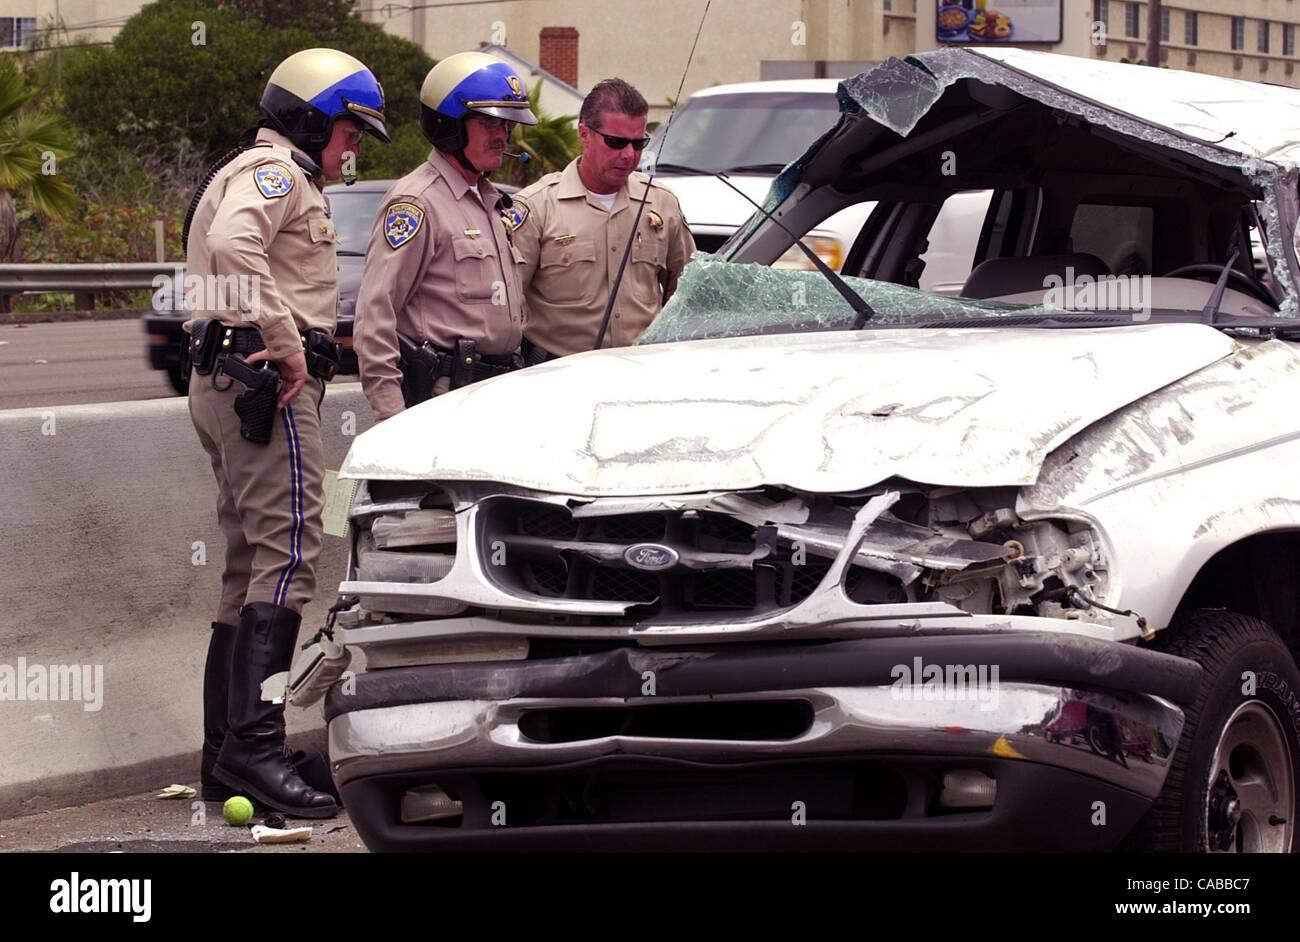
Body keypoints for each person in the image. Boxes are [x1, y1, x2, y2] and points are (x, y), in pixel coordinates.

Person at [184, 47, 388, 818]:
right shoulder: (276, 176)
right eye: (349, 131)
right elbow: (237, 249)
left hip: (226, 378)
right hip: (266, 380)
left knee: (246, 567)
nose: (354, 148)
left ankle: (226, 753)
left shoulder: (250, 169)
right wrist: (288, 337)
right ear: (311, 120)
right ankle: (256, 750)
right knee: (291, 556)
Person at [353, 51, 535, 422]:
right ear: (449, 124)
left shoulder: (491, 202)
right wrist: (391, 416)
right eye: (489, 124)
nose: (502, 135)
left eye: (507, 126)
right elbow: (375, 314)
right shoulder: (417, 203)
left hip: (498, 396)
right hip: (442, 401)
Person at [509, 78, 694, 362]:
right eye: (616, 142)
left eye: (638, 143)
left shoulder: (660, 203)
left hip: (643, 369)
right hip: (556, 374)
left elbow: (686, 294)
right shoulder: (537, 207)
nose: (629, 155)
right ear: (584, 133)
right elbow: (508, 304)